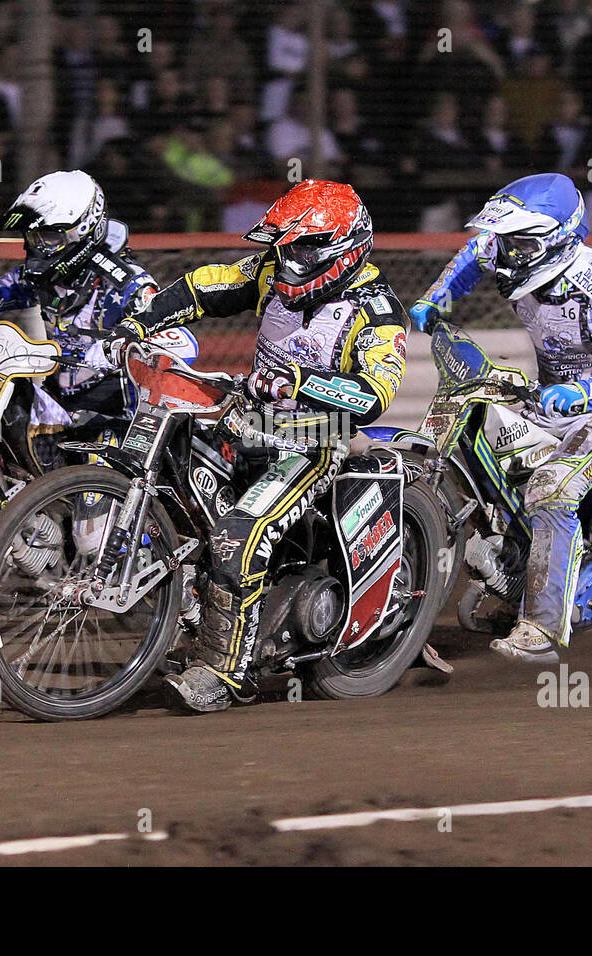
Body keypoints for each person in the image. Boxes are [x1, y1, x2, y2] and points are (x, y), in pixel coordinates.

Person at [102, 179, 409, 712]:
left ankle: (228, 674)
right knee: (176, 490)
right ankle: (192, 617)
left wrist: (300, 385)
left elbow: (376, 393)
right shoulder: (271, 272)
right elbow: (204, 286)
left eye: (302, 249)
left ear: (345, 246)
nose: (289, 262)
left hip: (315, 439)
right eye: (283, 248)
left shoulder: (379, 311)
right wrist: (139, 323)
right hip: (245, 421)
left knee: (235, 537)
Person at [409, 173, 592, 665]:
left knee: (551, 484)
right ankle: (514, 560)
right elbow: (474, 252)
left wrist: (583, 391)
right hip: (548, 399)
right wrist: (434, 299)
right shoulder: (510, 249)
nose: (507, 252)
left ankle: (544, 628)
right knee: (476, 426)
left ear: (557, 239)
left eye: (519, 241)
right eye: (508, 239)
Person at [0, 169, 189, 465]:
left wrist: (118, 349)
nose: (37, 247)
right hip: (62, 400)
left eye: (48, 236)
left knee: (92, 497)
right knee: (10, 411)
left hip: (118, 412)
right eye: (32, 236)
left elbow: (183, 342)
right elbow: (12, 287)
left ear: (83, 229)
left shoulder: (126, 283)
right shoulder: (47, 275)